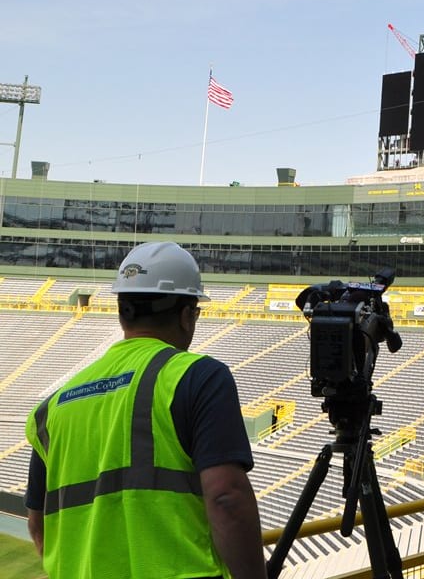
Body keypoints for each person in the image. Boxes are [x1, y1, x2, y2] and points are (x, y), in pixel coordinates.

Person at [25, 241, 266, 579]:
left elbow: (38, 525)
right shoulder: (198, 377)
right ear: (186, 316)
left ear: (122, 310)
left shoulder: (53, 407)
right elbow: (226, 497)